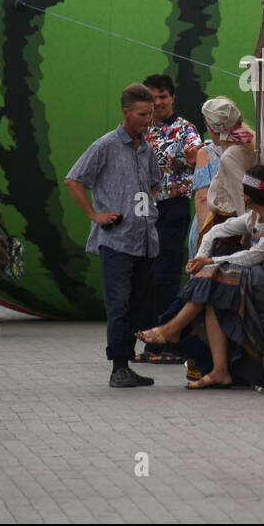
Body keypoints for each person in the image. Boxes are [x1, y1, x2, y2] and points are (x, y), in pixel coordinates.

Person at [136, 164, 264, 389]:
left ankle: (171, 329)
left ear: (252, 195)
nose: (241, 194)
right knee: (213, 293)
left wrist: (209, 262)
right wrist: (200, 257)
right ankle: (220, 370)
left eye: (244, 190)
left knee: (216, 274)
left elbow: (253, 256)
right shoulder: (252, 219)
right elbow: (214, 232)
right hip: (252, 273)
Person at [64, 83, 161, 389]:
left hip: (145, 239)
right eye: (143, 114)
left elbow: (154, 183)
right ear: (126, 113)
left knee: (137, 305)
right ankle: (118, 367)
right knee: (118, 304)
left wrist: (149, 207)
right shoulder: (105, 145)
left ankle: (127, 363)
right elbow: (74, 179)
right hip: (116, 241)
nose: (148, 119)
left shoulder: (147, 149)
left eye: (151, 113)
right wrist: (95, 215)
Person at [138, 74, 202, 365]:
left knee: (166, 274)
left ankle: (173, 344)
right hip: (141, 210)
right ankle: (151, 343)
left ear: (172, 97)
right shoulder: (140, 128)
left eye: (163, 96)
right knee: (145, 276)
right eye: (153, 97)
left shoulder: (185, 129)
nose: (159, 102)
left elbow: (195, 157)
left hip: (172, 207)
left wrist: (181, 158)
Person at [198, 97, 257, 236]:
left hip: (232, 233)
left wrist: (246, 242)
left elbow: (243, 201)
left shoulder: (230, 157)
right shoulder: (245, 146)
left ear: (212, 129)